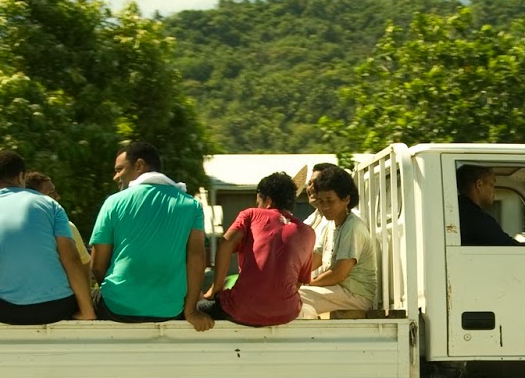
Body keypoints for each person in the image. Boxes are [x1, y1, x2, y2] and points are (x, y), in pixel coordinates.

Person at [89, 140, 209, 328]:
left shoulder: (113, 202)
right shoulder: (191, 205)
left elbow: (97, 266)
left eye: (119, 169)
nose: (115, 177)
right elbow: (196, 258)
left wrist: (122, 297)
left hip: (116, 308)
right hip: (170, 310)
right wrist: (191, 310)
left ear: (139, 165)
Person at [0, 151, 95, 324]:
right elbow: (71, 259)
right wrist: (87, 311)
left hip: (3, 310)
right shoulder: (50, 204)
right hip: (57, 307)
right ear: (21, 176)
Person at [199, 172, 313, 328]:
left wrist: (215, 290)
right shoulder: (308, 232)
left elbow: (225, 244)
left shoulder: (252, 214)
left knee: (195, 310)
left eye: (258, 201)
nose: (257, 205)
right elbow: (300, 279)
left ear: (268, 201)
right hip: (287, 312)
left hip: (242, 309)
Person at [299, 164, 379, 317]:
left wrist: (307, 282)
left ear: (346, 199)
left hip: (355, 295)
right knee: (287, 295)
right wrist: (292, 277)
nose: (325, 207)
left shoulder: (352, 227)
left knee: (294, 298)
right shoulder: (331, 224)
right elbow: (315, 258)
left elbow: (338, 274)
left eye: (330, 201)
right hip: (339, 289)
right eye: (321, 201)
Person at [24, 171, 91, 269]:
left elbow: (85, 266)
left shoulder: (69, 227)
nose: (57, 196)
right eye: (51, 193)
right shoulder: (22, 231)